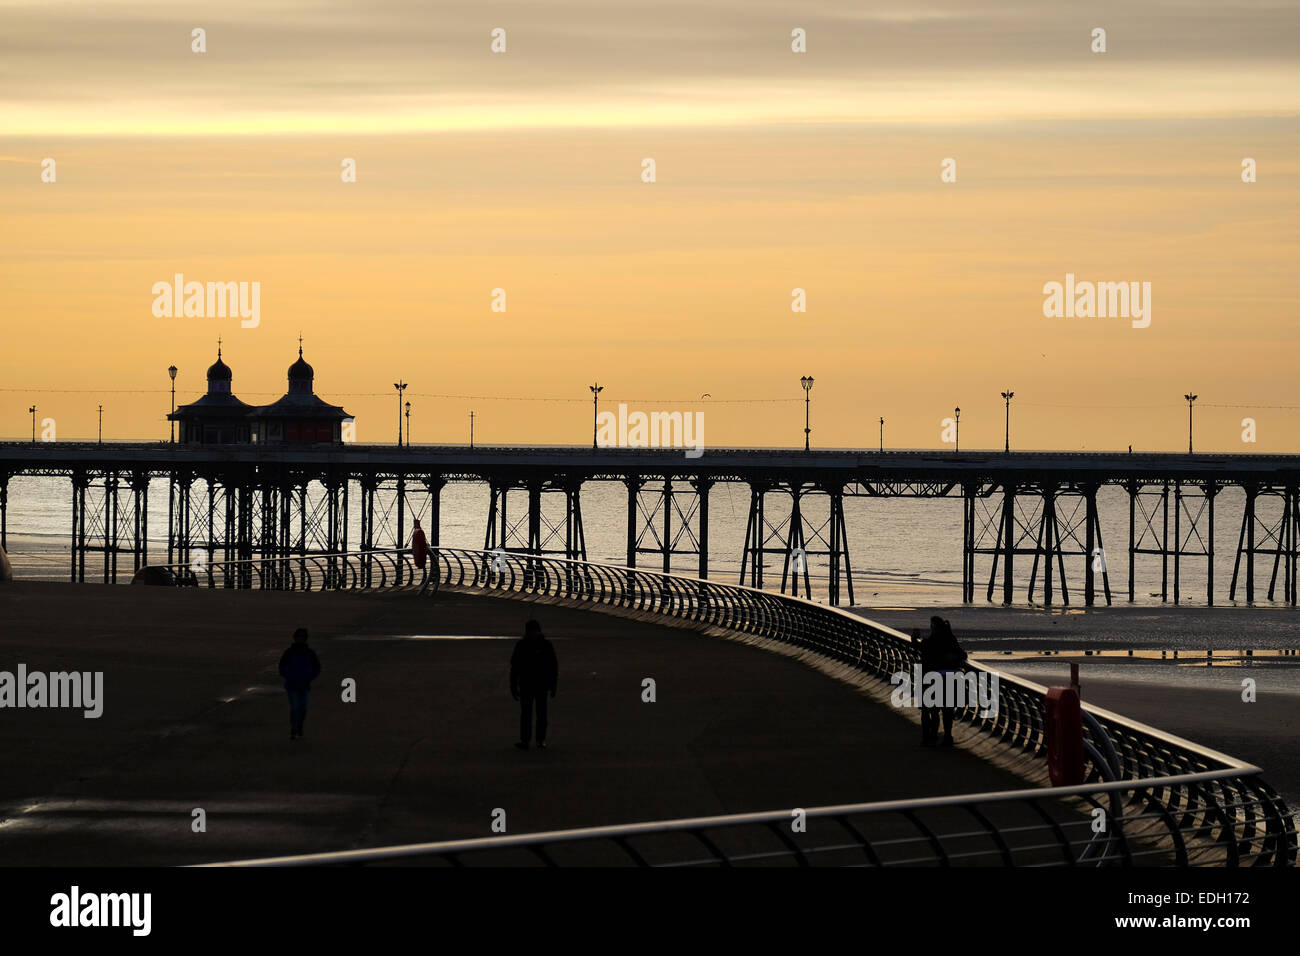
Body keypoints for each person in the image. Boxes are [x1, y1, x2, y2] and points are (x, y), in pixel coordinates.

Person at [918, 616, 967, 747]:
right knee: (947, 710)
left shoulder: (931, 641)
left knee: (932, 710)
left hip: (932, 678)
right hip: (948, 677)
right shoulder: (950, 639)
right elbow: (962, 654)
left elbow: (923, 648)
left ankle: (931, 736)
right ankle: (947, 736)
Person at [510, 619, 558, 751]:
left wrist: (513, 685)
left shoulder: (522, 645)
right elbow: (553, 667)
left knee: (536, 713)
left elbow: (515, 668)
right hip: (534, 684)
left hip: (533, 684)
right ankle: (533, 740)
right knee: (531, 713)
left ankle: (535, 740)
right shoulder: (545, 645)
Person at [279, 627, 321, 740]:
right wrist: (288, 676)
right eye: (298, 637)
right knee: (295, 708)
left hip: (304, 685)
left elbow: (317, 667)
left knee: (303, 708)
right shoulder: (289, 652)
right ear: (295, 638)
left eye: (302, 637)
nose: (300, 639)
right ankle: (294, 728)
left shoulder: (310, 653)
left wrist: (310, 677)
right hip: (292, 685)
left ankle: (299, 725)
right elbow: (281, 667)